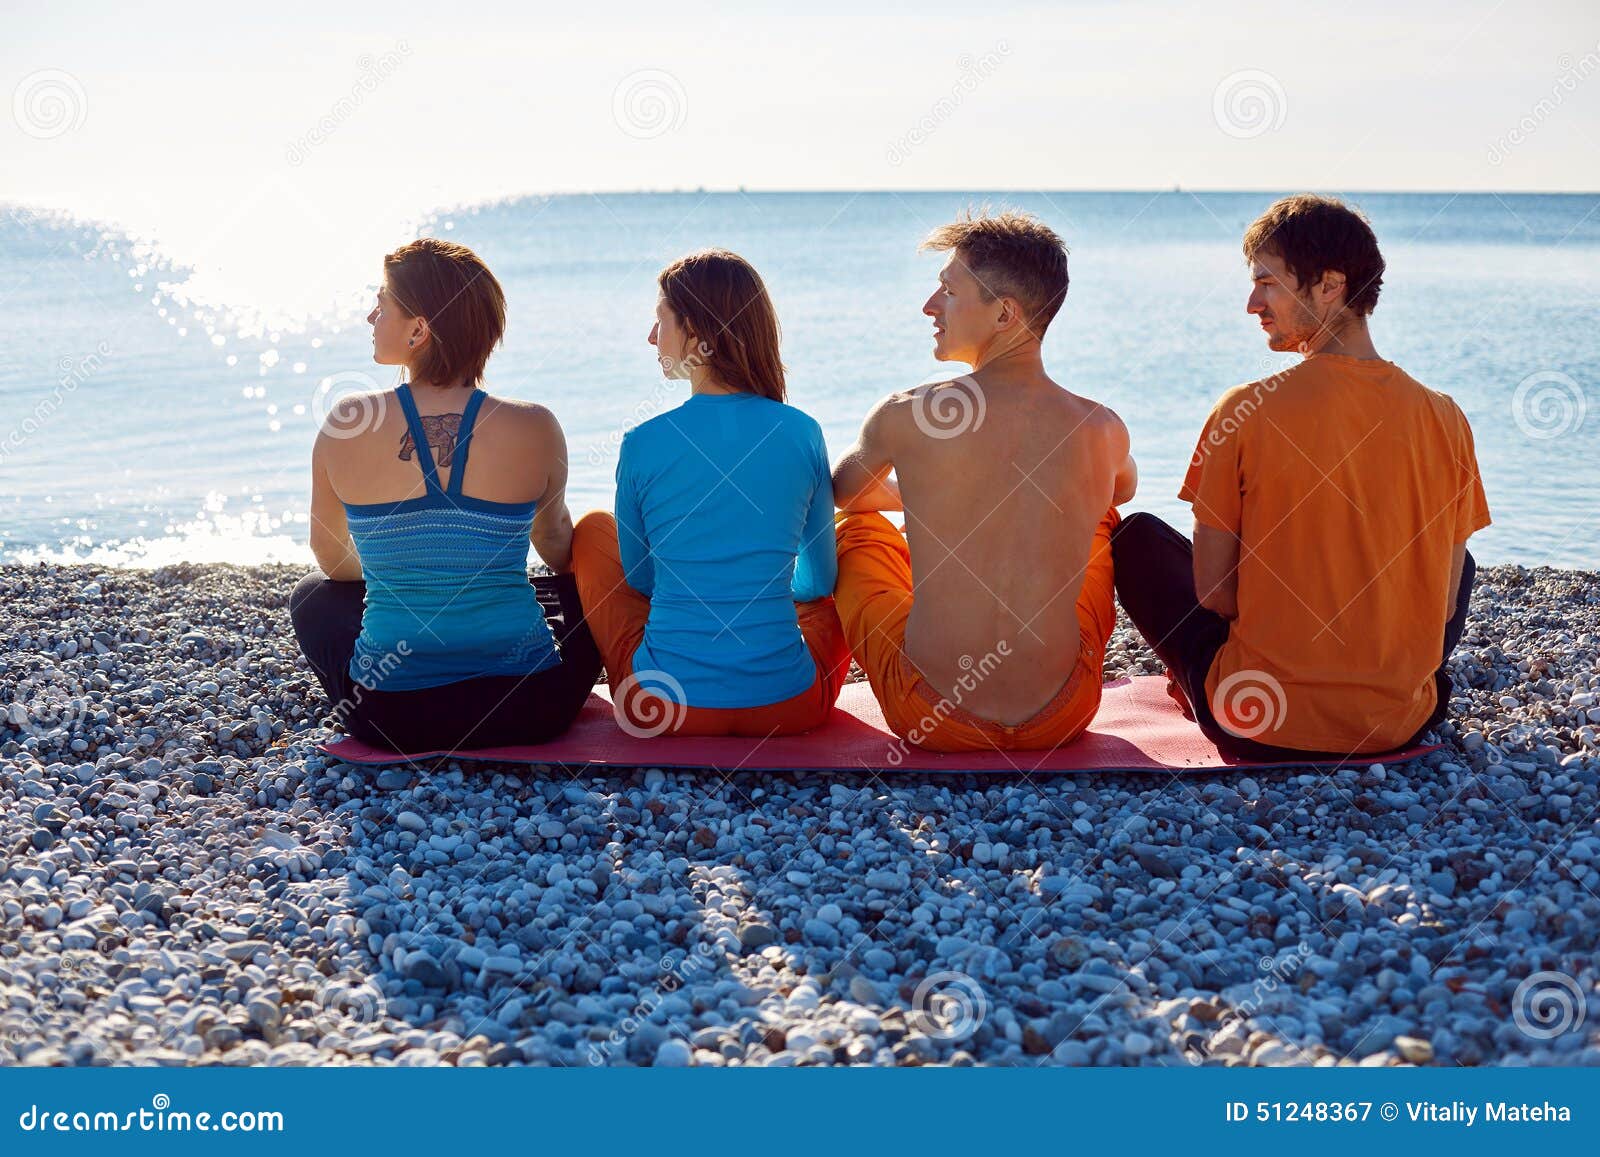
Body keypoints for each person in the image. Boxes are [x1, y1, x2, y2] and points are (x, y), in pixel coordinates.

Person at [1112, 194, 1490, 760]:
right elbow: (1440, 607)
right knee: (1457, 561)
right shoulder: (1446, 418)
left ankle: (1205, 684)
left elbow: (1215, 593)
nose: (1251, 304)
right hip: (1398, 725)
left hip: (1256, 722)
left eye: (1267, 283)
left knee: (1136, 538)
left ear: (1330, 285)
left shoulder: (1244, 410)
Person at [832, 209, 1138, 752]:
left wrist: (926, 500)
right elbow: (1122, 492)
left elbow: (843, 493)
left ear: (1004, 314)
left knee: (855, 531)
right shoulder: (1102, 426)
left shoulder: (907, 413)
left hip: (929, 715)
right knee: (1099, 522)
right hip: (1062, 716)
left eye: (948, 291)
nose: (929, 305)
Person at [290, 238, 601, 751]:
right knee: (584, 587)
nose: (371, 317)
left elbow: (334, 561)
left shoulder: (347, 423)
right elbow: (557, 548)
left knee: (313, 595)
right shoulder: (537, 426)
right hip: (530, 707)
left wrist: (409, 571)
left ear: (419, 329)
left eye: (382, 304)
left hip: (394, 718)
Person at [570, 249, 850, 737]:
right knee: (856, 536)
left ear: (697, 330)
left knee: (593, 530)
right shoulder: (802, 431)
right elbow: (818, 582)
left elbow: (641, 579)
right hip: (789, 708)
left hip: (662, 709)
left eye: (660, 320)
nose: (651, 336)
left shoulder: (642, 442)